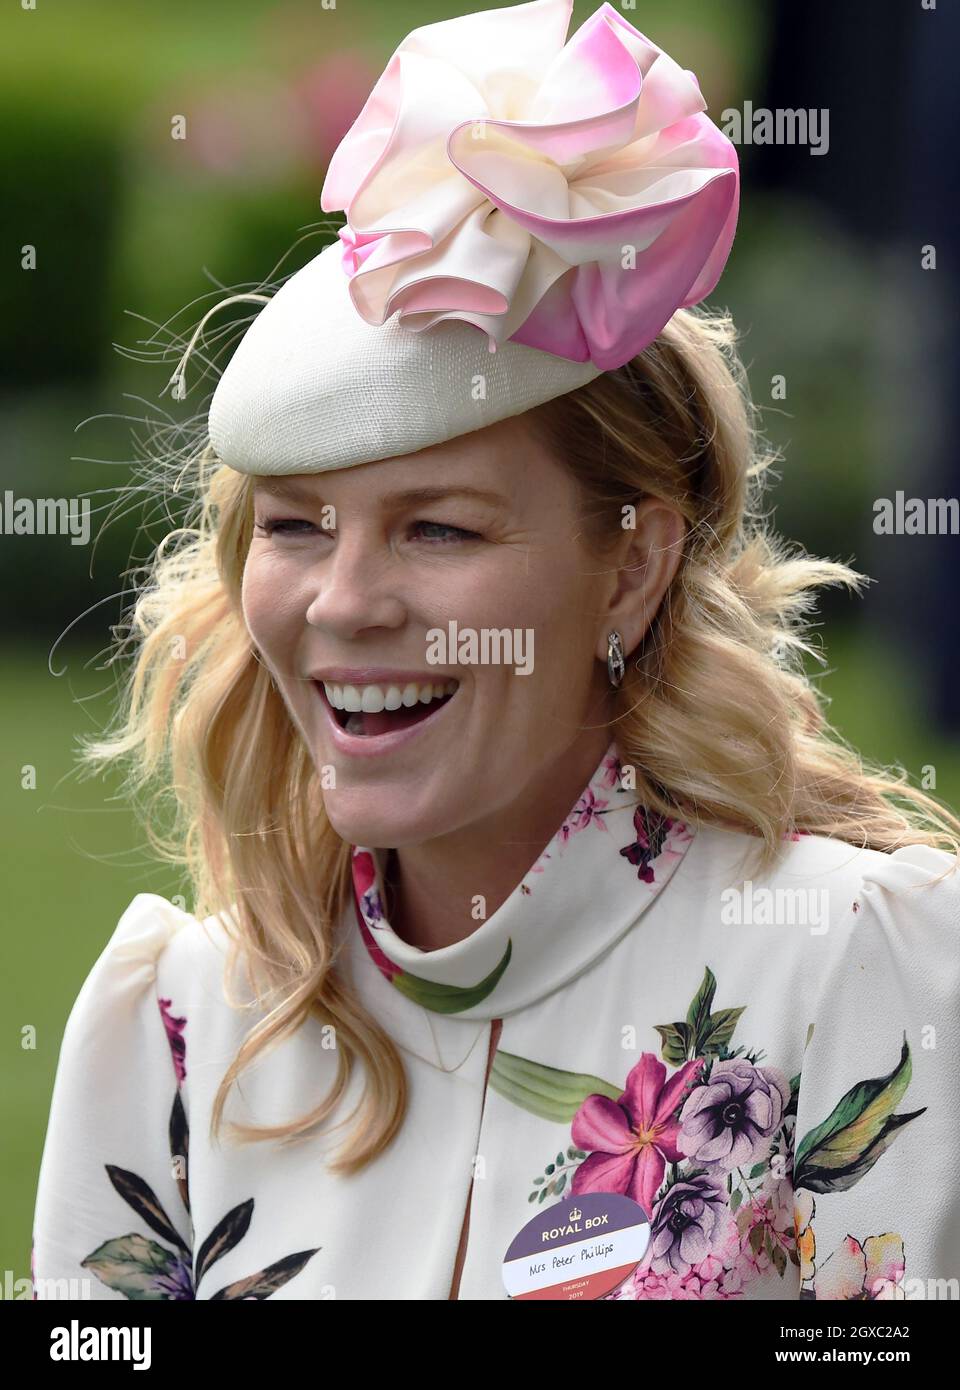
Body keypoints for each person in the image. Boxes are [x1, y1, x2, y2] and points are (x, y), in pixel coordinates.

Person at [31, 0, 960, 1302]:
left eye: (438, 529)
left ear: (629, 567)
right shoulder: (175, 1032)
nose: (345, 601)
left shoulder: (855, 962)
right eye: (297, 527)